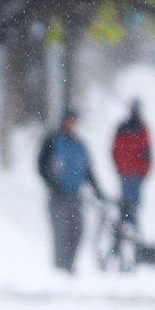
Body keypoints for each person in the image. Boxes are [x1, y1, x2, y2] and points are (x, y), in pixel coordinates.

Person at [38, 109, 105, 272]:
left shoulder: (79, 144)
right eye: (68, 120)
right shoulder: (52, 141)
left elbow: (88, 169)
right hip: (58, 196)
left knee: (77, 231)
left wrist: (97, 190)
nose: (70, 124)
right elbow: (41, 165)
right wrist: (52, 184)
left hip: (75, 195)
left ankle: (69, 265)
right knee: (61, 232)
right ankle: (60, 268)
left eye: (73, 121)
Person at [111, 100, 152, 231]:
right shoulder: (123, 127)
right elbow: (116, 150)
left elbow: (147, 152)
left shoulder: (142, 128)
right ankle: (124, 229)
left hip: (136, 173)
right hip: (126, 172)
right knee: (126, 204)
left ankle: (130, 228)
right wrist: (120, 167)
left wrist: (144, 170)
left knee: (134, 204)